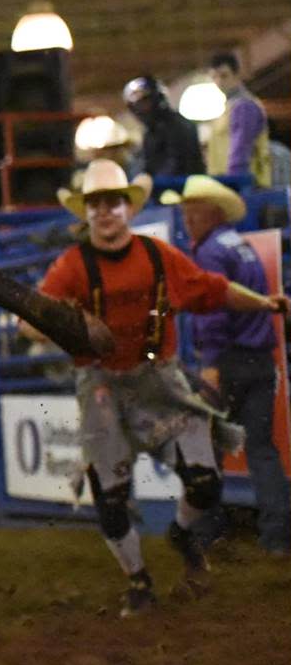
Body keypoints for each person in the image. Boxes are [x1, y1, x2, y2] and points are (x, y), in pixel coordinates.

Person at [27, 159, 288, 616]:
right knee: (110, 495)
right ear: (86, 213)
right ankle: (138, 580)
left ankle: (182, 532)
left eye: (112, 202)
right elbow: (30, 321)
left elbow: (213, 289)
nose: (105, 212)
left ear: (127, 208)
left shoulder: (155, 256)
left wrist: (265, 303)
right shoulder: (72, 266)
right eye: (96, 205)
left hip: (157, 378)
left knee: (204, 483)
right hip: (101, 384)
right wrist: (64, 325)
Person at [170, 175, 291, 555]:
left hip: (227, 362)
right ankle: (278, 538)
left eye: (194, 212)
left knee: (208, 450)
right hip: (259, 361)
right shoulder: (241, 246)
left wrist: (210, 364)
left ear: (212, 214)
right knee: (262, 450)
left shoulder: (209, 253)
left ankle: (207, 535)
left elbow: (211, 311)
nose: (188, 219)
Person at [207, 52, 271, 187]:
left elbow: (241, 147)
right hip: (226, 182)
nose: (219, 81)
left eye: (224, 75)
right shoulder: (228, 108)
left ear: (237, 75)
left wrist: (236, 181)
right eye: (214, 77)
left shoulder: (244, 107)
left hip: (243, 184)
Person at [122, 75, 205, 178]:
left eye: (146, 102)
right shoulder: (150, 132)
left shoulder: (179, 125)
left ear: (158, 99)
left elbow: (178, 165)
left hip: (185, 189)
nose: (142, 109)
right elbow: (148, 166)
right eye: (138, 105)